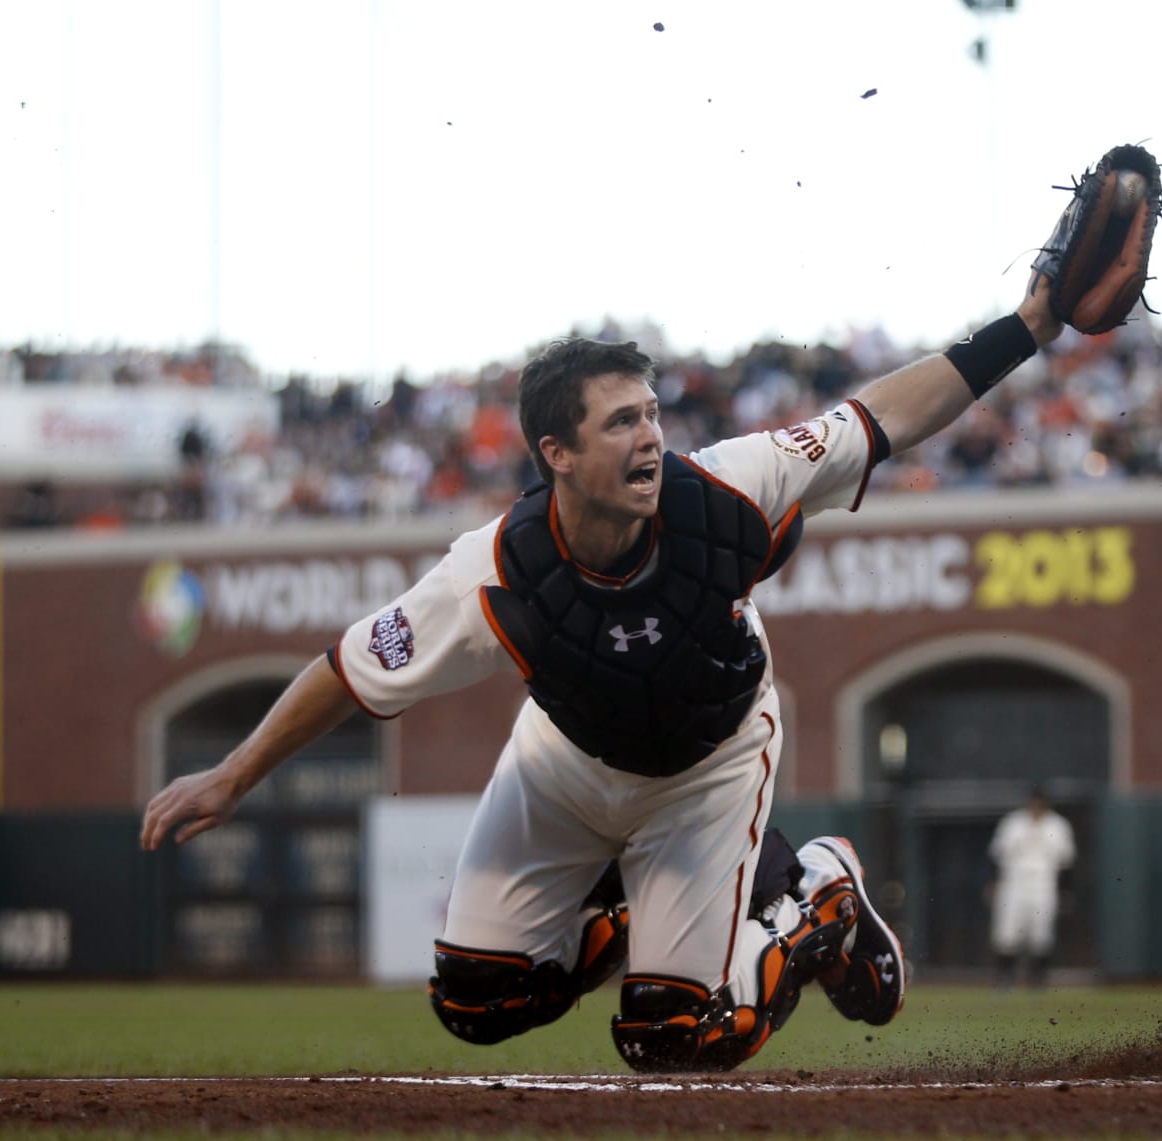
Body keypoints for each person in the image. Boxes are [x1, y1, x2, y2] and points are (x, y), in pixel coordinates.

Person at [141, 278, 1068, 1070]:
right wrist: (232, 775)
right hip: (565, 765)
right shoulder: (496, 569)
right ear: (558, 455)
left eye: (653, 414)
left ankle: (814, 895)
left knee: (672, 1039)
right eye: (621, 422)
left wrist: (1025, 328)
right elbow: (347, 671)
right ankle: (662, 904)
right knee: (478, 1003)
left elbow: (881, 418)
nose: (651, 439)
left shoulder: (731, 488)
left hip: (709, 763)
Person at [988, 784, 1076, 988]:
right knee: (1007, 933)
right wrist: (993, 884)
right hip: (1014, 884)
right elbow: (996, 856)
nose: (1036, 806)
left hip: (1044, 885)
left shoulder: (1057, 825)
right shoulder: (1013, 823)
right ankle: (1004, 980)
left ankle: (1038, 980)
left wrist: (1065, 891)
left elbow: (1067, 862)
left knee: (1041, 934)